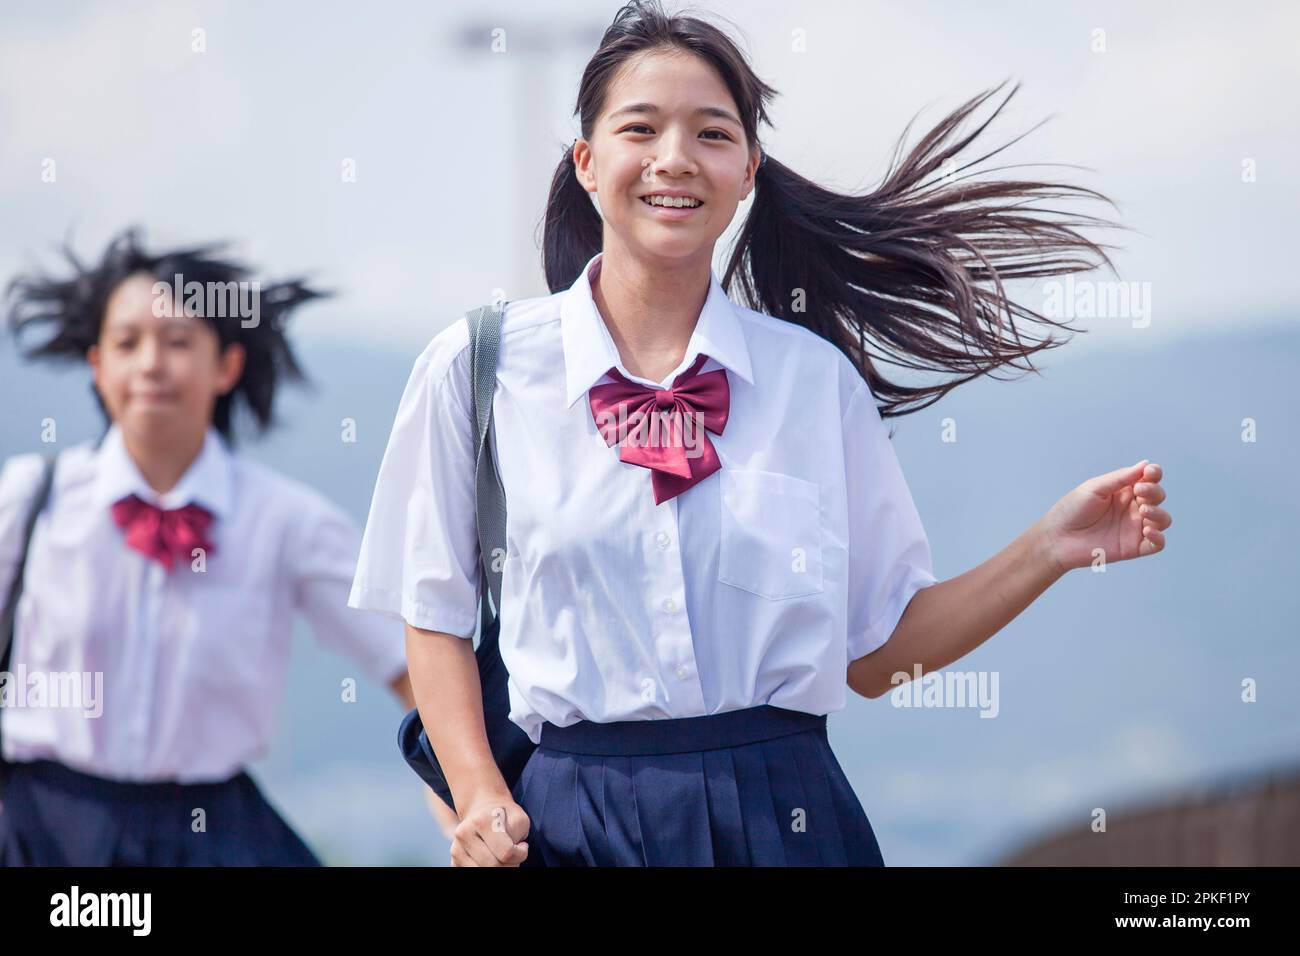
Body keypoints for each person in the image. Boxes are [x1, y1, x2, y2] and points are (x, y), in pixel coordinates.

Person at [348, 0, 1171, 867]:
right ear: (587, 163)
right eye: (641, 128)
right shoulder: (477, 369)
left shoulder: (813, 382)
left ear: (747, 172)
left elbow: (879, 656)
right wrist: (478, 795)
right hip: (567, 829)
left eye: (711, 134)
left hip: (788, 822)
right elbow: (433, 611)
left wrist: (1049, 546)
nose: (674, 159)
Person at [0, 227, 438, 865]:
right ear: (98, 365)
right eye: (127, 343)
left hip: (212, 837)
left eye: (177, 342)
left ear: (226, 365)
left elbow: (413, 664)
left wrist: (462, 798)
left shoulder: (286, 520)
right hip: (43, 827)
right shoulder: (28, 498)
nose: (150, 363)